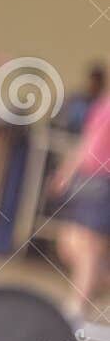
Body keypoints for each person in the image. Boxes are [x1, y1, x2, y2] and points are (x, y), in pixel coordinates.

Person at [47, 83, 110, 315]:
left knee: (88, 246)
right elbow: (87, 139)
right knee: (68, 244)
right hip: (85, 177)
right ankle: (94, 285)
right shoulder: (103, 103)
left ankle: (76, 307)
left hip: (104, 182)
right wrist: (66, 171)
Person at [58, 62, 107, 136]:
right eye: (93, 81)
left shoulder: (104, 106)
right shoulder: (76, 99)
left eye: (97, 82)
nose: (94, 85)